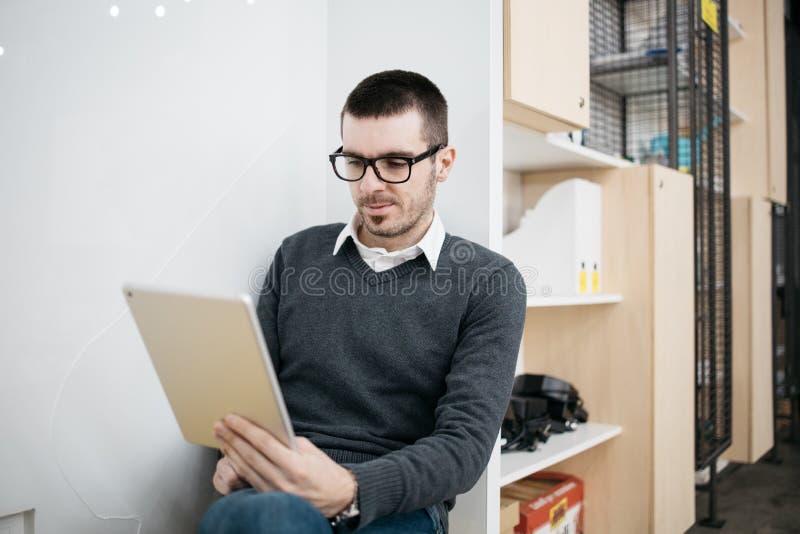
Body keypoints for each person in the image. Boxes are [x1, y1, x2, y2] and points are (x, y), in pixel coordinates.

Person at [198, 70, 527, 534]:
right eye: (355, 161)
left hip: (399, 504)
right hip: (281, 489)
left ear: (443, 163)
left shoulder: (490, 282)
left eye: (395, 163)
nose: (370, 185)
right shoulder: (297, 255)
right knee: (257, 518)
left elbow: (465, 447)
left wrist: (349, 489)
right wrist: (239, 456)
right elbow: (250, 395)